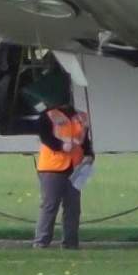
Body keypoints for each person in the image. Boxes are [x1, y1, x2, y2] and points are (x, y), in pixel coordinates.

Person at [33, 98, 93, 249]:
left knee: (73, 207)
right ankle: (41, 243)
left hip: (76, 166)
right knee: (50, 205)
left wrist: (89, 154)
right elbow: (45, 136)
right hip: (52, 167)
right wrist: (60, 146)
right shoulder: (49, 114)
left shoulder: (81, 116)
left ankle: (70, 243)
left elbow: (84, 139)